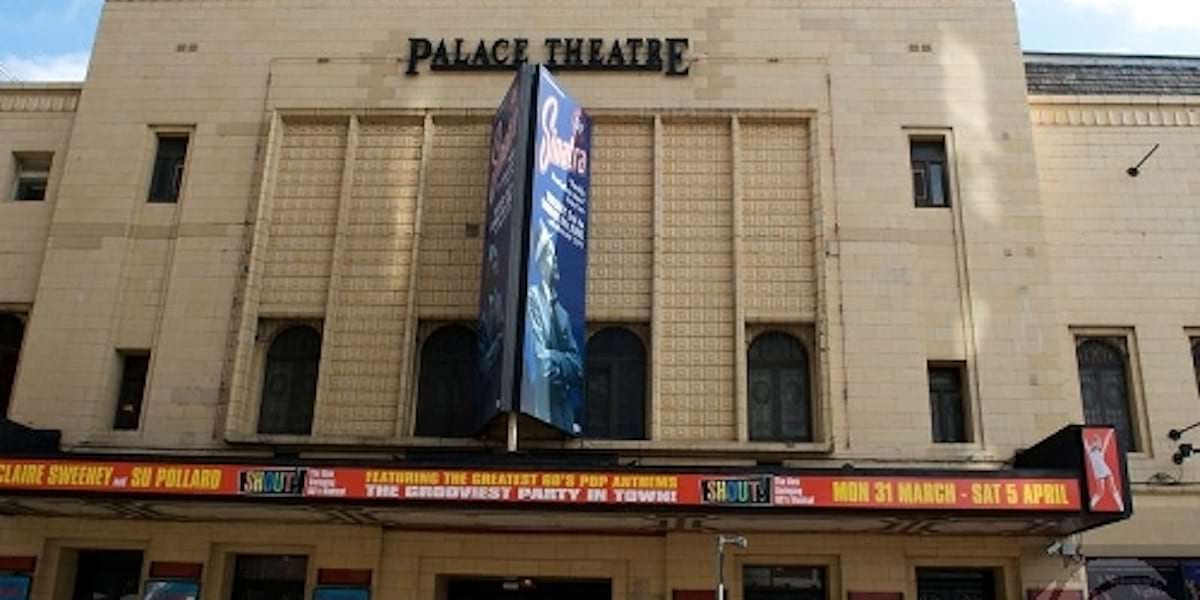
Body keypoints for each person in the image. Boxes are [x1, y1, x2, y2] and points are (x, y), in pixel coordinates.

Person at [525, 223, 583, 433]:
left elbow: (578, 367)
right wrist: (564, 360)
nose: (555, 260)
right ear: (540, 264)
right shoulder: (531, 299)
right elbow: (539, 361)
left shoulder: (562, 312)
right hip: (537, 407)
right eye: (550, 254)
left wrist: (555, 358)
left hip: (562, 412)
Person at [1087, 430, 1124, 512]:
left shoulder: (1101, 451)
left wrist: (1110, 432)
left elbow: (1106, 442)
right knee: (1100, 492)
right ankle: (1091, 505)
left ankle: (1121, 506)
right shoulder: (1090, 452)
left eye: (1097, 441)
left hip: (1106, 471)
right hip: (1098, 474)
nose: (1096, 443)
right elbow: (1085, 443)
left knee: (1113, 488)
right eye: (1094, 441)